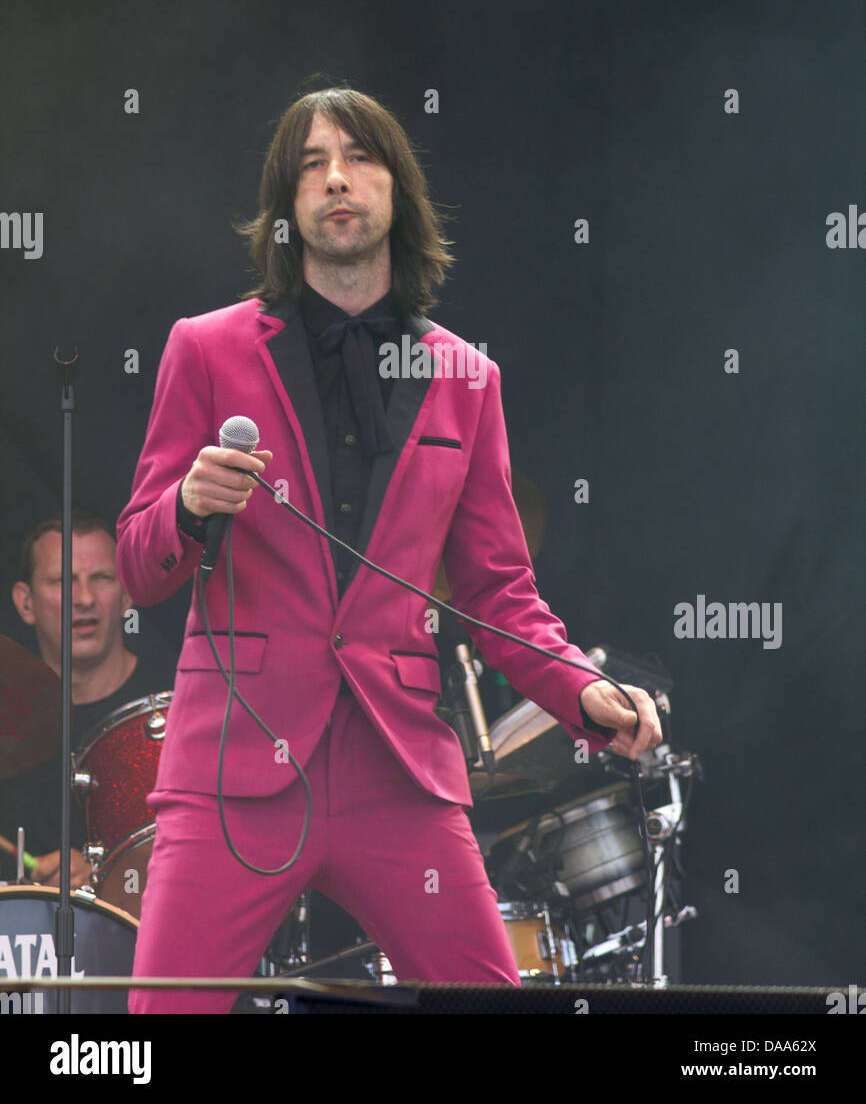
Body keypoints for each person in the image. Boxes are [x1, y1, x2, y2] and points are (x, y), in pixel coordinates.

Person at [116, 84, 662, 1013]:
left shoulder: (466, 378)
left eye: (360, 158)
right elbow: (138, 564)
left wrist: (580, 688)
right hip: (236, 765)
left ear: (397, 193)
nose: (337, 179)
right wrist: (186, 507)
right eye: (312, 165)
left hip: (394, 766)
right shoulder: (204, 349)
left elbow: (498, 592)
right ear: (287, 206)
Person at [0, 515, 176, 887]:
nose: (84, 599)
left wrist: (103, 875)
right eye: (63, 581)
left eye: (102, 578)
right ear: (25, 603)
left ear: (127, 595)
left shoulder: (176, 709)